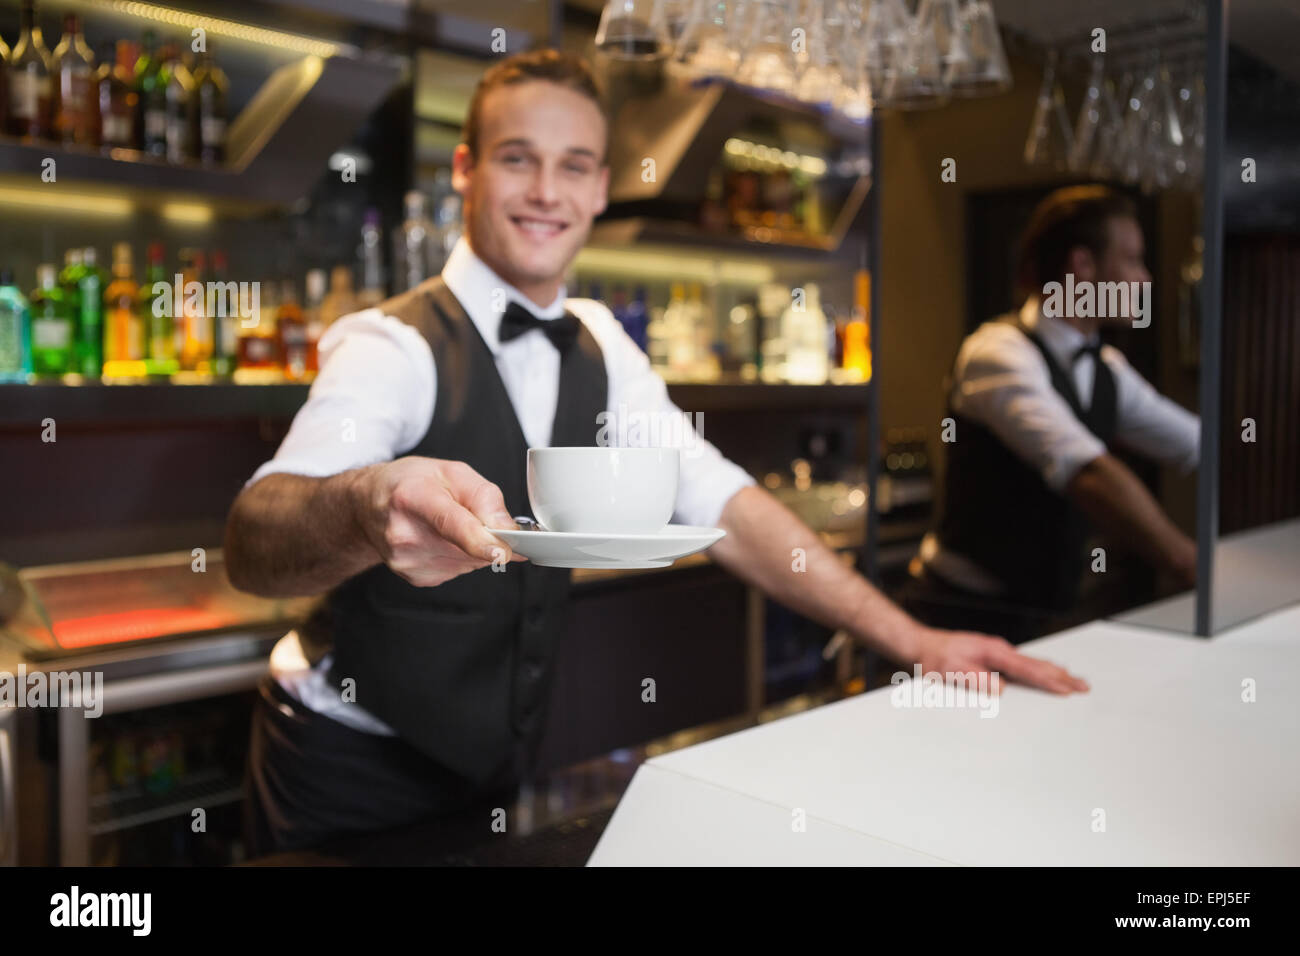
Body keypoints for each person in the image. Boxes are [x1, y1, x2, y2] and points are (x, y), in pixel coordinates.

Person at [225, 49, 1089, 857]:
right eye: (518, 158)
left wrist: (915, 640)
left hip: (489, 766)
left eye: (573, 166)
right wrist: (368, 503)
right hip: (339, 766)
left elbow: (725, 503)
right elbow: (256, 537)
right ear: (465, 172)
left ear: (602, 187)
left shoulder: (602, 341)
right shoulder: (391, 345)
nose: (546, 191)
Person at [903, 186, 1199, 643]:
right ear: (1083, 267)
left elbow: (1197, 444)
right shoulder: (995, 353)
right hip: (958, 614)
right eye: (1132, 260)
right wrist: (1186, 560)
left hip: (1043, 613)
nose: (1145, 279)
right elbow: (1086, 471)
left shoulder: (1107, 371)